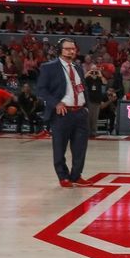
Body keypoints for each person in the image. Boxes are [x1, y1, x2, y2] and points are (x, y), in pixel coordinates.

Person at [37, 38, 90, 187]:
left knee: (80, 147)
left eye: (73, 49)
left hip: (80, 112)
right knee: (60, 147)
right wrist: (55, 103)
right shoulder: (49, 67)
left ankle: (76, 175)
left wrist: (86, 107)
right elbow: (41, 90)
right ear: (60, 50)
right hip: (62, 112)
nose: (71, 51)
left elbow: (82, 87)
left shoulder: (78, 67)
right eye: (67, 49)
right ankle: (63, 176)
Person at [84, 65, 107, 136]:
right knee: (89, 117)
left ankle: (94, 132)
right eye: (92, 70)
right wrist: (88, 73)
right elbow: (82, 80)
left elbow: (105, 82)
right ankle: (88, 132)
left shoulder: (99, 79)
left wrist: (100, 75)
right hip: (90, 99)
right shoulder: (88, 78)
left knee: (95, 117)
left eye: (95, 70)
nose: (94, 72)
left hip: (97, 100)